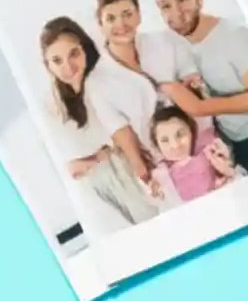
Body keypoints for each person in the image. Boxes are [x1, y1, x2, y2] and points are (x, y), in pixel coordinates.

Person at [151, 0, 248, 173]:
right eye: (166, 6)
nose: (176, 12)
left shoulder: (235, 35)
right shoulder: (173, 46)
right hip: (231, 145)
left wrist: (201, 106)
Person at [39, 16, 159, 226]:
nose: (67, 67)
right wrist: (97, 157)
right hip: (97, 185)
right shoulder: (53, 104)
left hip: (128, 170)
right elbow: (72, 167)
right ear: (47, 65)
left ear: (85, 49)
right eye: (56, 61)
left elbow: (126, 131)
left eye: (73, 54)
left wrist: (98, 159)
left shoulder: (101, 82)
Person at [86, 0, 169, 195]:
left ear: (139, 15)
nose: (121, 24)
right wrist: (141, 169)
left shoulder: (160, 42)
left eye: (127, 14)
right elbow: (119, 129)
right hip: (161, 162)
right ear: (100, 24)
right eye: (111, 18)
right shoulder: (98, 81)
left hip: (199, 140)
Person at [149, 106, 237, 202]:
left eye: (180, 134)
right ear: (157, 145)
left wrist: (227, 172)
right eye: (165, 140)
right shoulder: (161, 176)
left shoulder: (211, 154)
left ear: (191, 132)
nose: (175, 145)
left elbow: (234, 184)